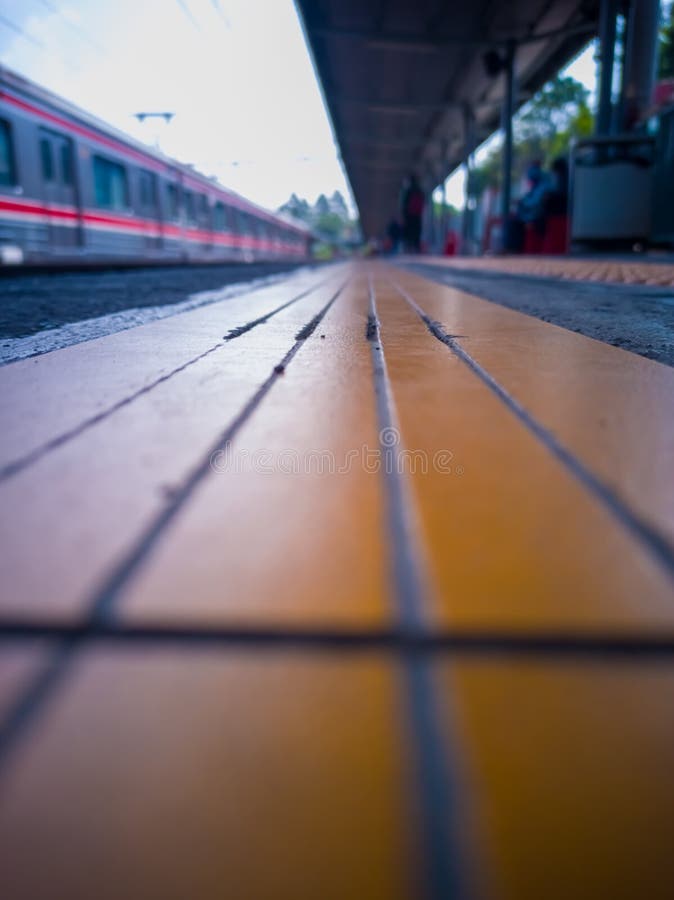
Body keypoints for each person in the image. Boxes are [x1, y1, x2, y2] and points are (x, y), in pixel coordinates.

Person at [401, 174, 425, 253]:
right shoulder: (419, 190)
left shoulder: (408, 190)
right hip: (417, 215)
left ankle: (409, 249)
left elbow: (404, 204)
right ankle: (416, 249)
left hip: (409, 215)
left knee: (408, 232)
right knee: (416, 232)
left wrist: (404, 215)